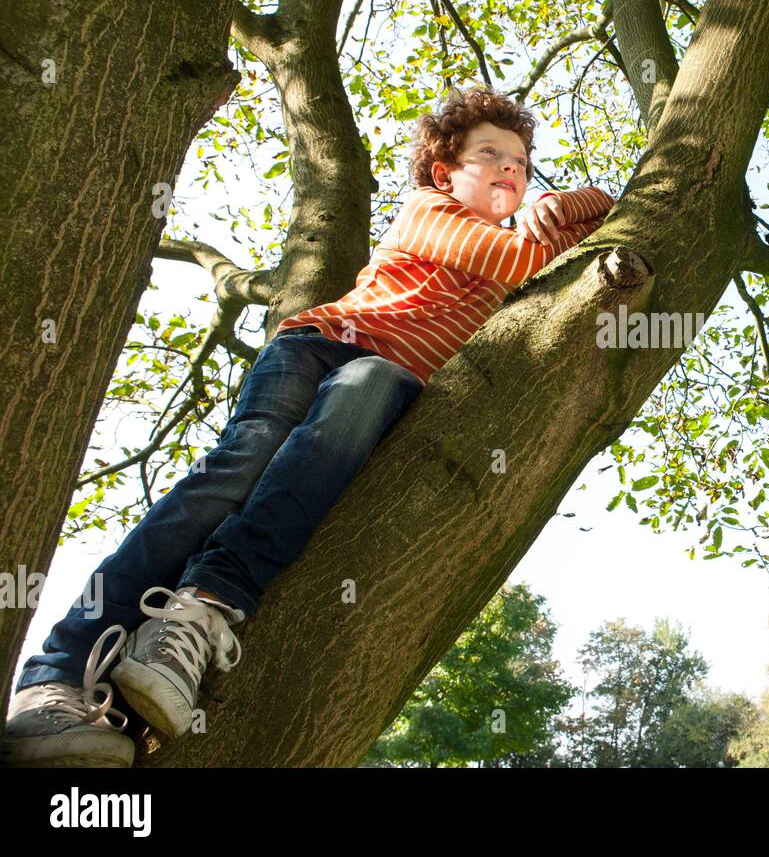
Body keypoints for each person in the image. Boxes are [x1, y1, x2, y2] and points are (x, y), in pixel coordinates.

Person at [1, 86, 617, 767]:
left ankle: (200, 611)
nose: (512, 171)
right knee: (237, 469)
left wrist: (570, 204)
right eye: (491, 155)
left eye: (524, 165)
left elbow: (605, 221)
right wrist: (546, 224)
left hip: (375, 387)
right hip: (317, 347)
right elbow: (523, 261)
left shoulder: (512, 261)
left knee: (372, 386)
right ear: (446, 174)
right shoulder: (429, 212)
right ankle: (56, 675)